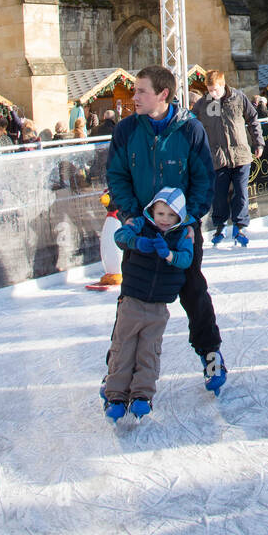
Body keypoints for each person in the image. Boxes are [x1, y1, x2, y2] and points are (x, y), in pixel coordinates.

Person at [106, 65, 224, 393]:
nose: (134, 97)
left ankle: (211, 353)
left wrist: (188, 220)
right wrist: (131, 215)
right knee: (131, 300)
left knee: (193, 292)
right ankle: (115, 368)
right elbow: (117, 175)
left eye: (141, 91)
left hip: (180, 231)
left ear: (163, 94)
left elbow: (203, 180)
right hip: (142, 228)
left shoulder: (190, 129)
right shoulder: (127, 130)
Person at [101, 187, 195, 421]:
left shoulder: (183, 234)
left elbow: (186, 259)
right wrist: (137, 242)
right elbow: (120, 236)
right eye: (161, 214)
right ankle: (116, 396)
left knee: (148, 352)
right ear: (153, 210)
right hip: (132, 300)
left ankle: (142, 395)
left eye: (171, 216)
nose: (164, 220)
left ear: (179, 217)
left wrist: (169, 255)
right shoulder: (140, 223)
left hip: (158, 307)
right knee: (123, 349)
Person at [193, 69, 264, 249]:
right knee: (219, 194)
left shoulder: (238, 97)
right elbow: (192, 124)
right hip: (218, 158)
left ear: (223, 85)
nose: (212, 93)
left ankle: (240, 227)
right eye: (209, 90)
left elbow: (253, 119)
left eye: (215, 89)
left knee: (241, 192)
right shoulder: (204, 104)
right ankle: (220, 225)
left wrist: (258, 142)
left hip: (240, 154)